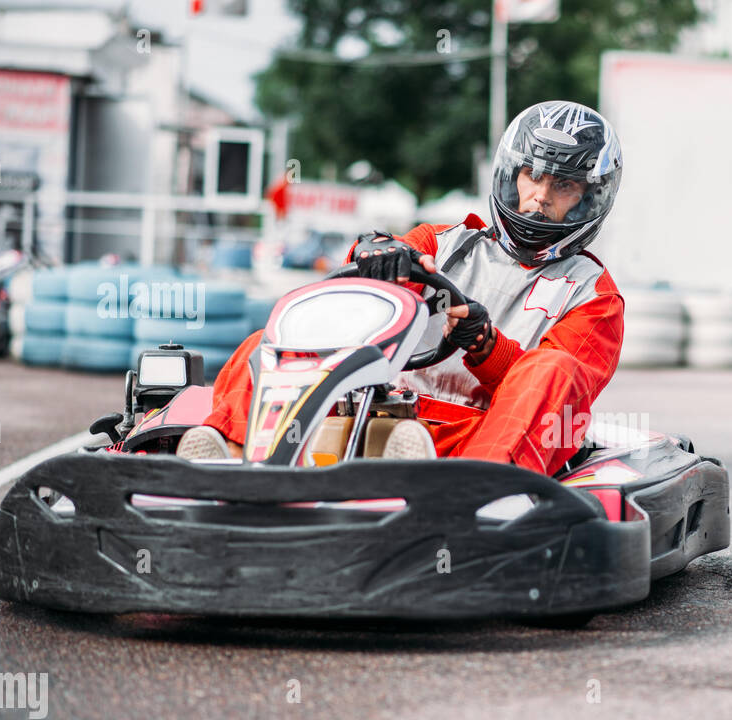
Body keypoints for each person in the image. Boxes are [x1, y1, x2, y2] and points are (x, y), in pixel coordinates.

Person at [176, 100, 625, 475]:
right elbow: (368, 279)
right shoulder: (440, 242)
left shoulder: (594, 296)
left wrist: (485, 344)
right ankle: (233, 457)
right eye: (533, 174)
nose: (540, 196)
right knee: (272, 342)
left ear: (589, 197)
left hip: (485, 438)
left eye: (562, 184)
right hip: (383, 414)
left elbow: (559, 396)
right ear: (512, 174)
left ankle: (478, 499)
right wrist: (374, 250)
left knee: (553, 371)